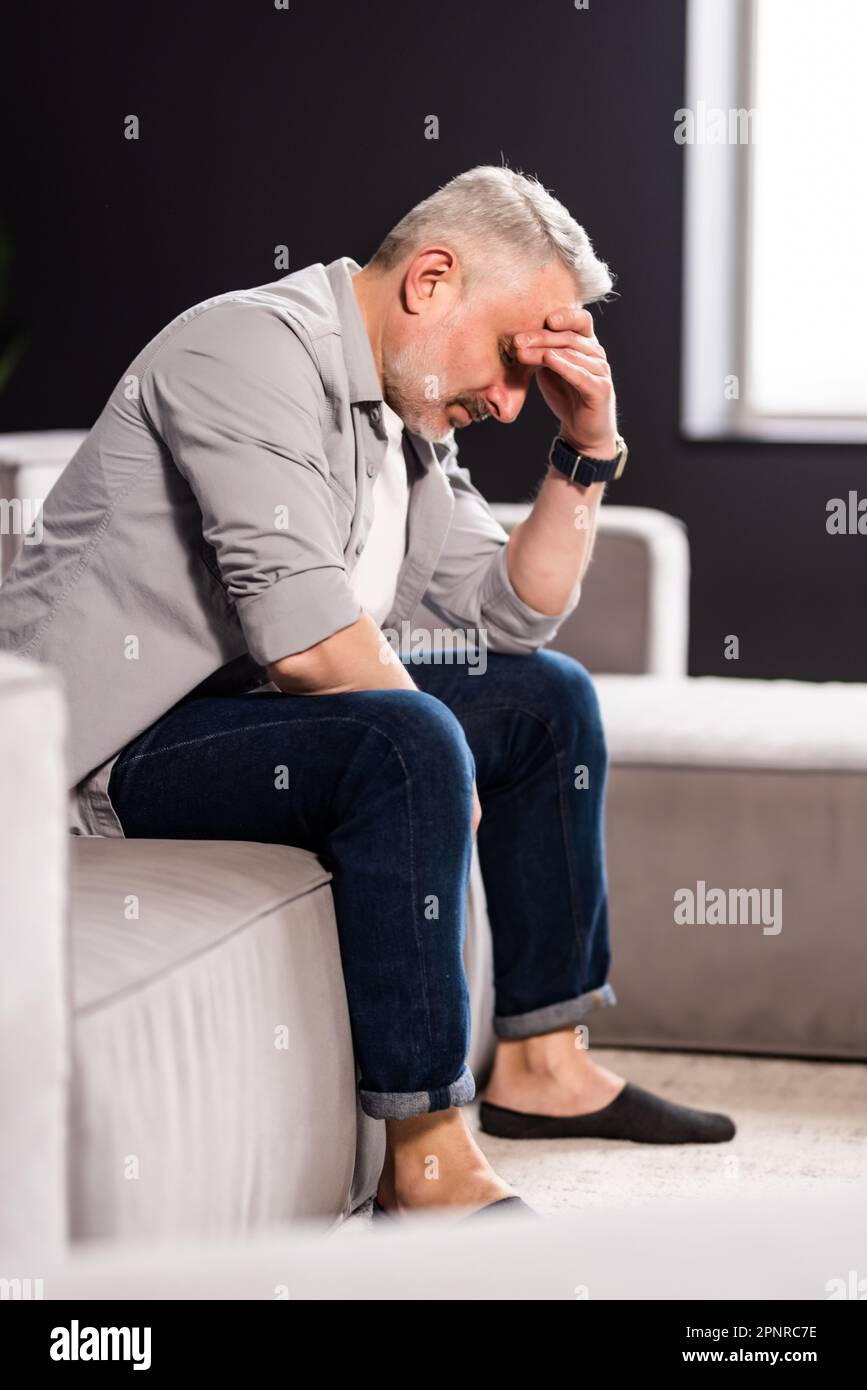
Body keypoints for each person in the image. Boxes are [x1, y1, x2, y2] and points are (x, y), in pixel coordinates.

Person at [0, 163, 734, 1223]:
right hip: (114, 746)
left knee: (543, 700)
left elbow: (513, 614)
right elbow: (306, 639)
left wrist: (585, 450)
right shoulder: (241, 350)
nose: (508, 397)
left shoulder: (406, 420)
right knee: (405, 738)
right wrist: (427, 740)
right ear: (431, 281)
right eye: (511, 357)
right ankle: (425, 1158)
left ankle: (541, 1066)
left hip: (245, 719)